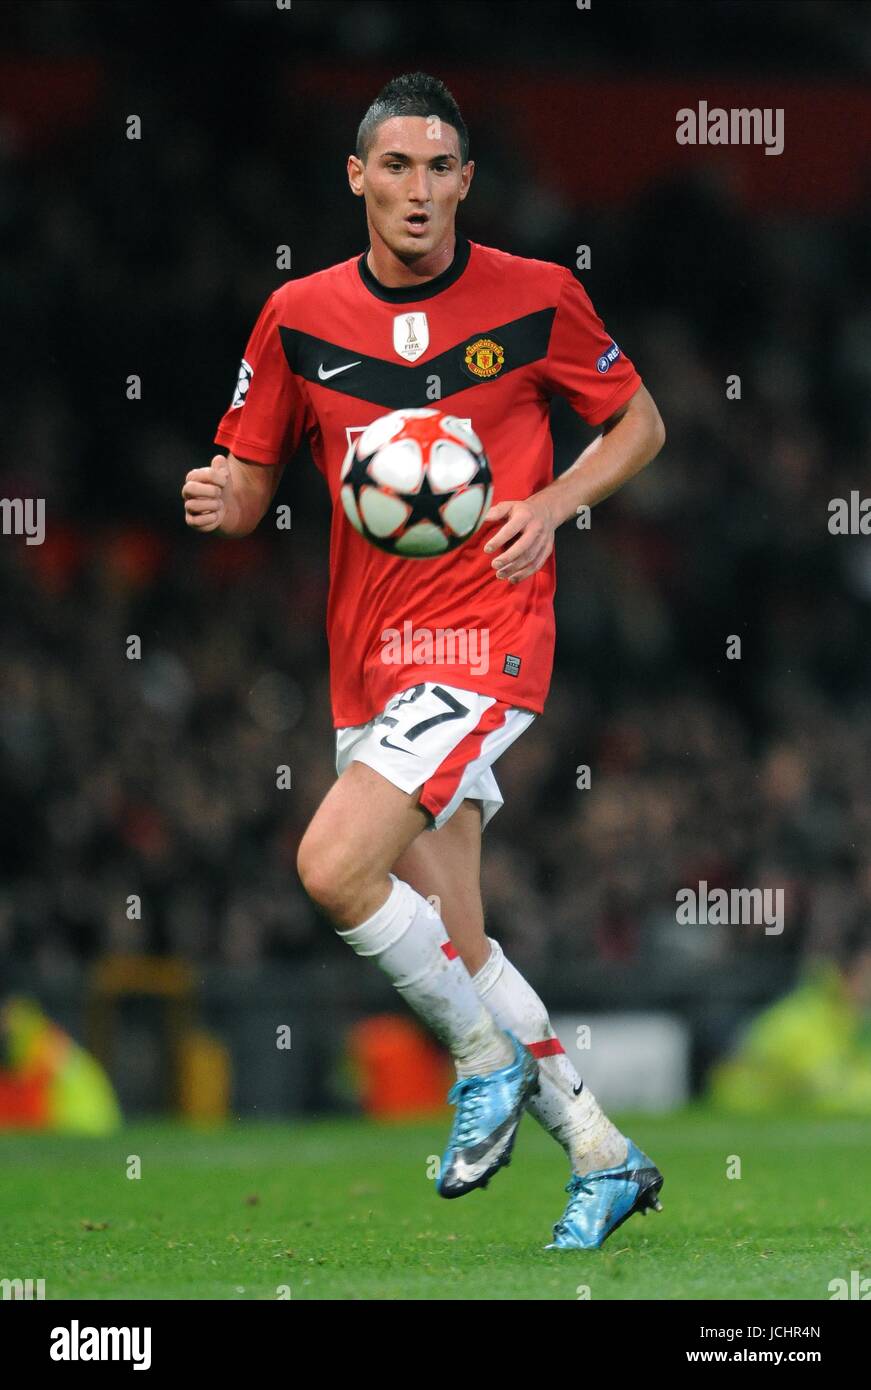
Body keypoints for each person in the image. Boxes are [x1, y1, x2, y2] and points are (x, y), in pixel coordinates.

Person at [183, 72, 666, 1249]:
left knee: (332, 864)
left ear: (464, 182)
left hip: (486, 640)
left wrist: (551, 503)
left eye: (438, 167)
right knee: (459, 936)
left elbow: (640, 422)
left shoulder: (538, 297)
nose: (416, 189)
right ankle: (604, 1156)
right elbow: (248, 480)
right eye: (393, 166)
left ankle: (481, 1057)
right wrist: (222, 497)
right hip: (372, 662)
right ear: (356, 178)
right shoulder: (297, 315)